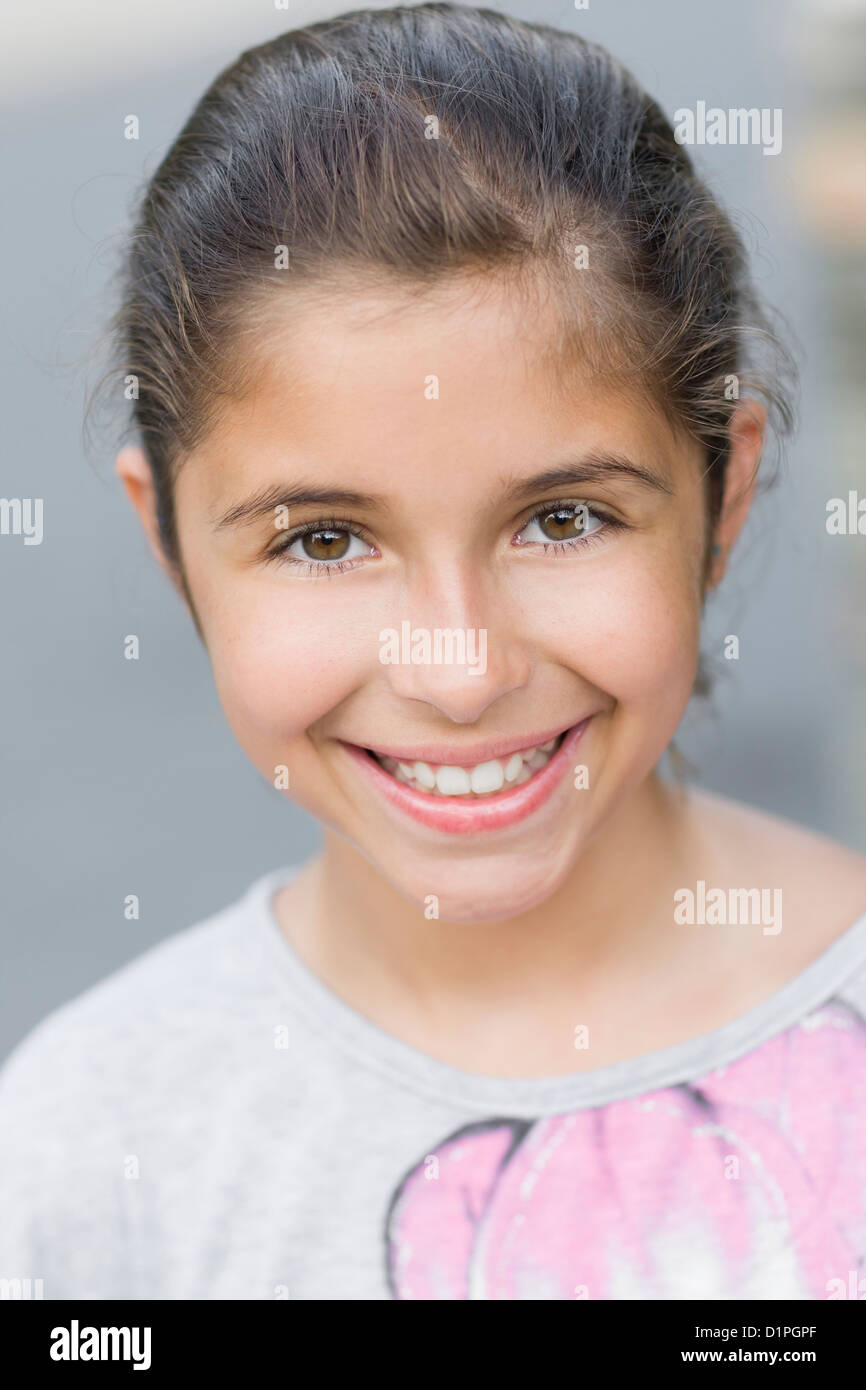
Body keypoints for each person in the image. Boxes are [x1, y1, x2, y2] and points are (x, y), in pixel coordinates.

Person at [2, 3, 865, 1301]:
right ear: (170, 542)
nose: (457, 669)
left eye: (562, 519)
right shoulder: (85, 1154)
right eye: (324, 541)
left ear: (722, 499)